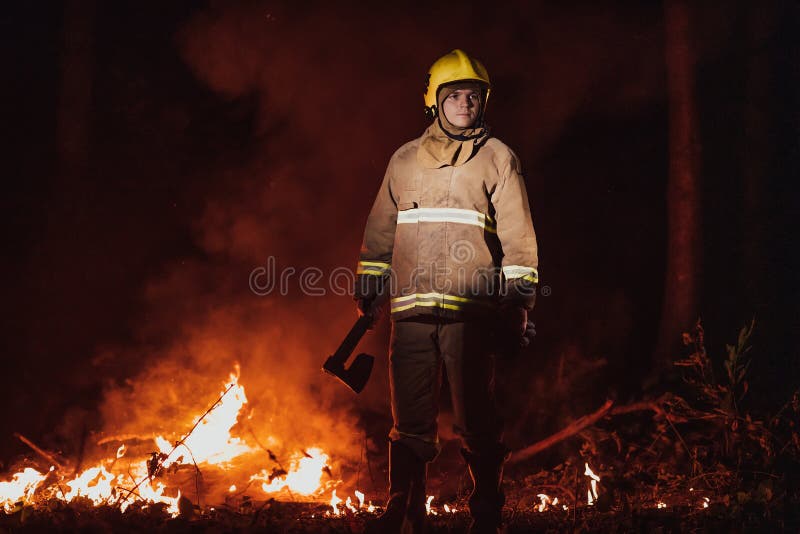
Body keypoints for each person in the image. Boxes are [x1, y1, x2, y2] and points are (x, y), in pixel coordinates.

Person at [355, 49, 538, 534]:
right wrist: (370, 280)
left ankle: (486, 513)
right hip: (411, 312)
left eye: (472, 96)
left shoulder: (498, 158)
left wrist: (518, 302)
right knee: (409, 419)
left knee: (476, 417)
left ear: (483, 101)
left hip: (471, 315)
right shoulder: (404, 160)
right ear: (434, 102)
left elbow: (519, 238)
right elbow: (381, 227)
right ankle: (404, 511)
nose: (463, 104)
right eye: (453, 95)